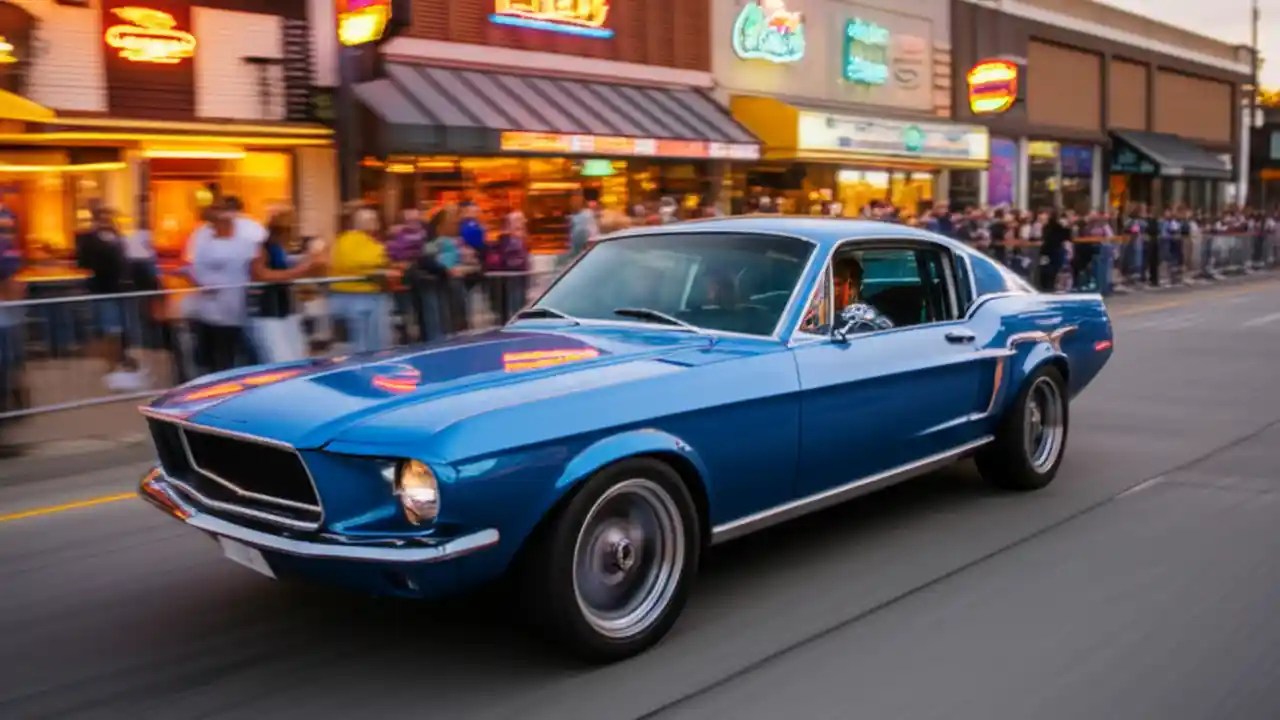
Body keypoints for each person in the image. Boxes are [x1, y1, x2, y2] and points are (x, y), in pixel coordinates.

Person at [187, 200, 260, 372]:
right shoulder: (201, 235)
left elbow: (254, 262)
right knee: (215, 348)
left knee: (236, 346)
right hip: (211, 303)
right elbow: (194, 265)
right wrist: (204, 283)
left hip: (237, 302)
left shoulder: (248, 233)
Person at [328, 207, 394, 353]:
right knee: (363, 344)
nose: (376, 223)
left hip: (368, 296)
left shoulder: (367, 241)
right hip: (356, 297)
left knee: (372, 341)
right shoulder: (348, 239)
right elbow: (349, 262)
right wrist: (379, 263)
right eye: (373, 220)